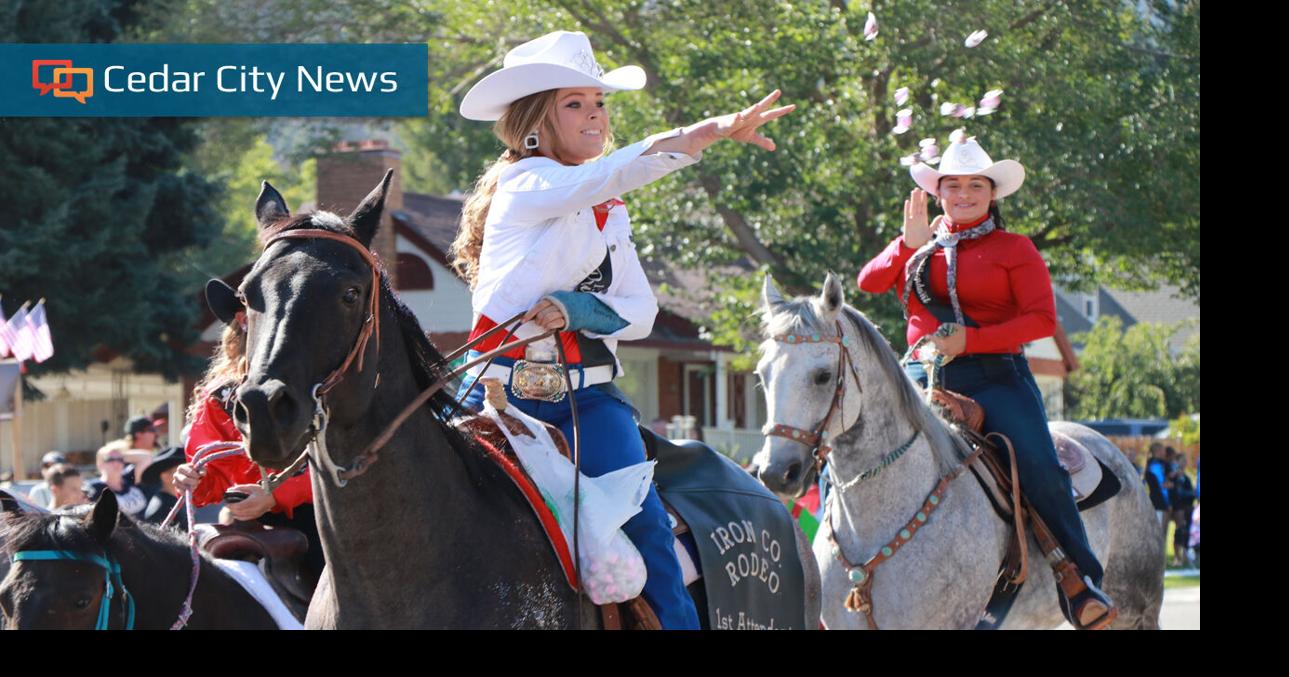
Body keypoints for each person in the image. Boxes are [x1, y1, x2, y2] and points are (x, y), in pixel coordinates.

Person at [451, 30, 793, 630]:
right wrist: (698, 136)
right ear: (535, 122)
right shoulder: (526, 184)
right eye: (575, 104)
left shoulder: (608, 206)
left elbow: (642, 312)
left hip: (588, 399)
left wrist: (578, 311)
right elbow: (602, 177)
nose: (594, 116)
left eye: (599, 103)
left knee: (649, 536)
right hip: (496, 394)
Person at [856, 133, 1115, 630]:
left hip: (995, 376)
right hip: (918, 373)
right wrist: (905, 245)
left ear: (992, 193)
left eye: (976, 185)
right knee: (852, 444)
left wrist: (970, 342)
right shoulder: (919, 246)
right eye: (954, 185)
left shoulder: (1015, 248)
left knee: (1037, 461)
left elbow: (1041, 321)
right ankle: (838, 564)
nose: (965, 194)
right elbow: (868, 282)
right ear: (939, 193)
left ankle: (1077, 581)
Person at [172, 279, 323, 581]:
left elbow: (344, 459)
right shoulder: (217, 396)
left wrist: (275, 495)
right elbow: (211, 478)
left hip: (328, 517)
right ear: (241, 321)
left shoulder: (322, 381)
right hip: (252, 524)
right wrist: (191, 479)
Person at [84, 445, 148, 517]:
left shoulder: (130, 478)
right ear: (100, 463)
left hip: (143, 527)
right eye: (110, 459)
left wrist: (121, 454)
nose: (116, 463)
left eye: (120, 459)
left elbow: (147, 457)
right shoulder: (94, 487)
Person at [141, 446, 187, 530]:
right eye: (181, 471)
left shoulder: (172, 502)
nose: (187, 476)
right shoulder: (161, 508)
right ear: (165, 476)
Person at [1168, 453, 1196, 567]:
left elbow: (1191, 493)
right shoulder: (1173, 477)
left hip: (1187, 508)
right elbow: (1176, 493)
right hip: (1177, 507)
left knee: (1186, 532)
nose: (1184, 463)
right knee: (1179, 531)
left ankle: (1184, 557)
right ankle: (1177, 557)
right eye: (1182, 461)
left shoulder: (1186, 478)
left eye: (1185, 461)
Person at [1143, 443, 1171, 525]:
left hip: (1155, 501)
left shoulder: (1153, 463)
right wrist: (1167, 503)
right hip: (1158, 503)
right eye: (1163, 450)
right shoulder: (1155, 465)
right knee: (1159, 530)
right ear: (1158, 451)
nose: (1165, 452)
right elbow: (1162, 485)